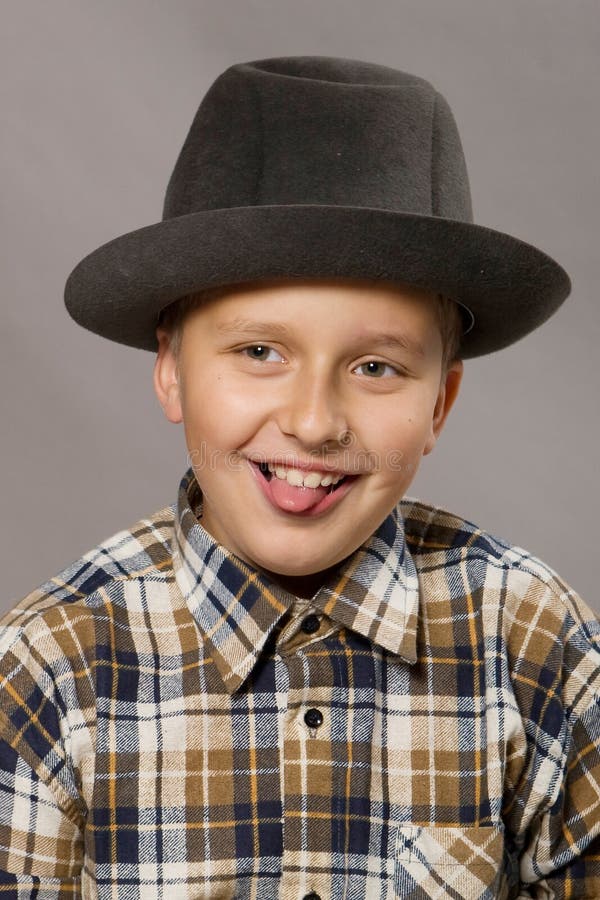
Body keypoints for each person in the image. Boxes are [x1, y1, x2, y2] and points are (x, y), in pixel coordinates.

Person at [1, 55, 598, 899]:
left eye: (378, 368)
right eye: (259, 352)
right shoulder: (50, 670)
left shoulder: (538, 647)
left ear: (441, 403)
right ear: (170, 370)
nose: (315, 421)